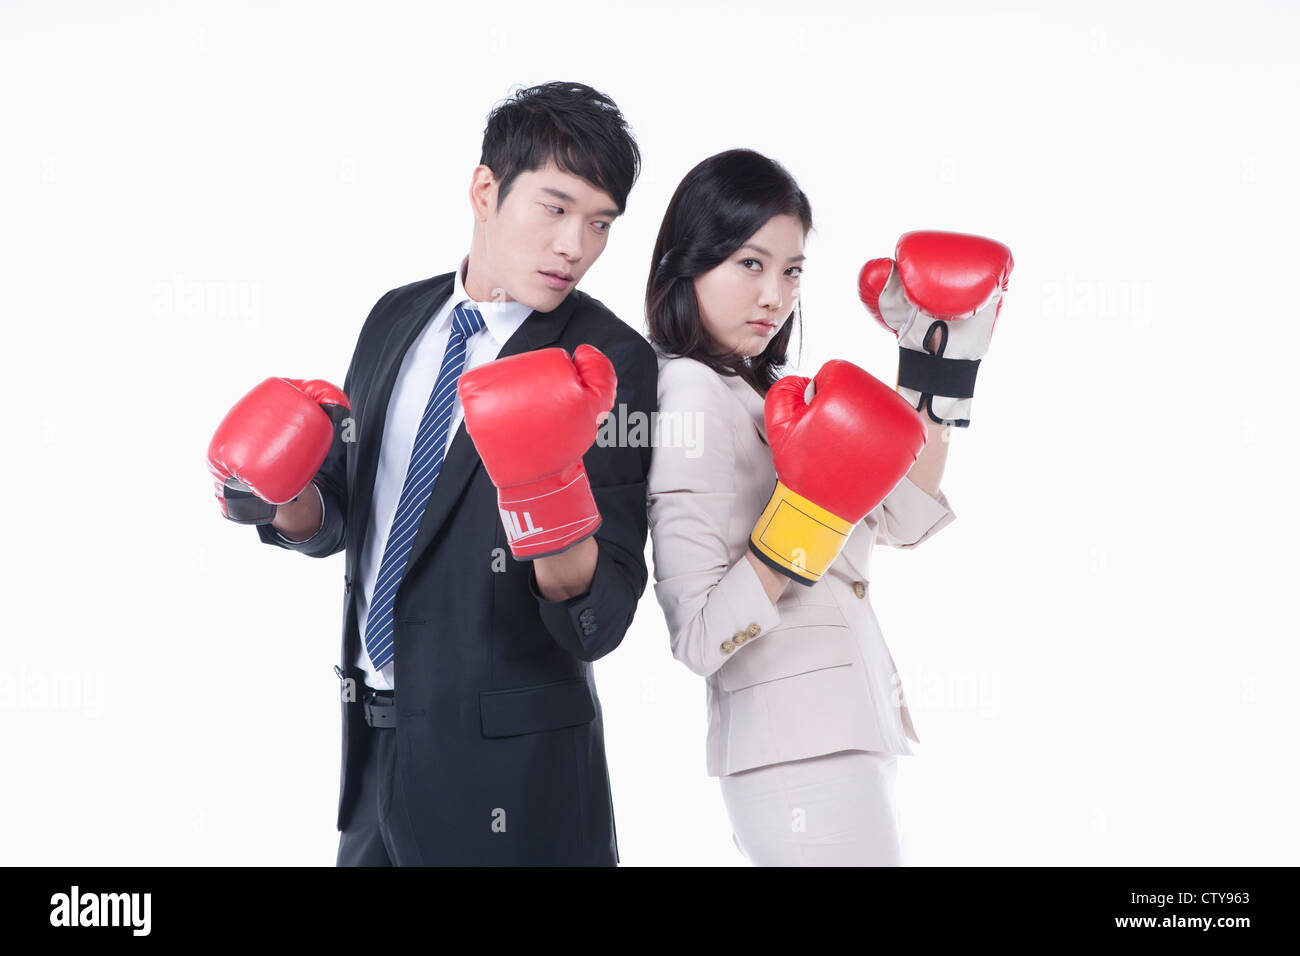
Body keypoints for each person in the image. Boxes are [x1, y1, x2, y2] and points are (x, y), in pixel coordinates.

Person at [208, 81, 656, 865]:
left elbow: (602, 617)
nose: (574, 247)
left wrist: (547, 496)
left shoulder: (607, 359)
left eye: (599, 223)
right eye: (554, 208)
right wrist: (284, 499)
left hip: (513, 785)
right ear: (485, 190)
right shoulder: (395, 316)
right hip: (371, 755)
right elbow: (346, 517)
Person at [645, 148, 974, 866]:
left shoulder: (766, 396)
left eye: (792, 270)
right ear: (687, 263)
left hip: (847, 732)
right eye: (750, 264)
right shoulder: (690, 396)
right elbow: (699, 636)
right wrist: (805, 517)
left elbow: (903, 517)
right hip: (797, 752)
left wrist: (938, 367)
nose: (775, 295)